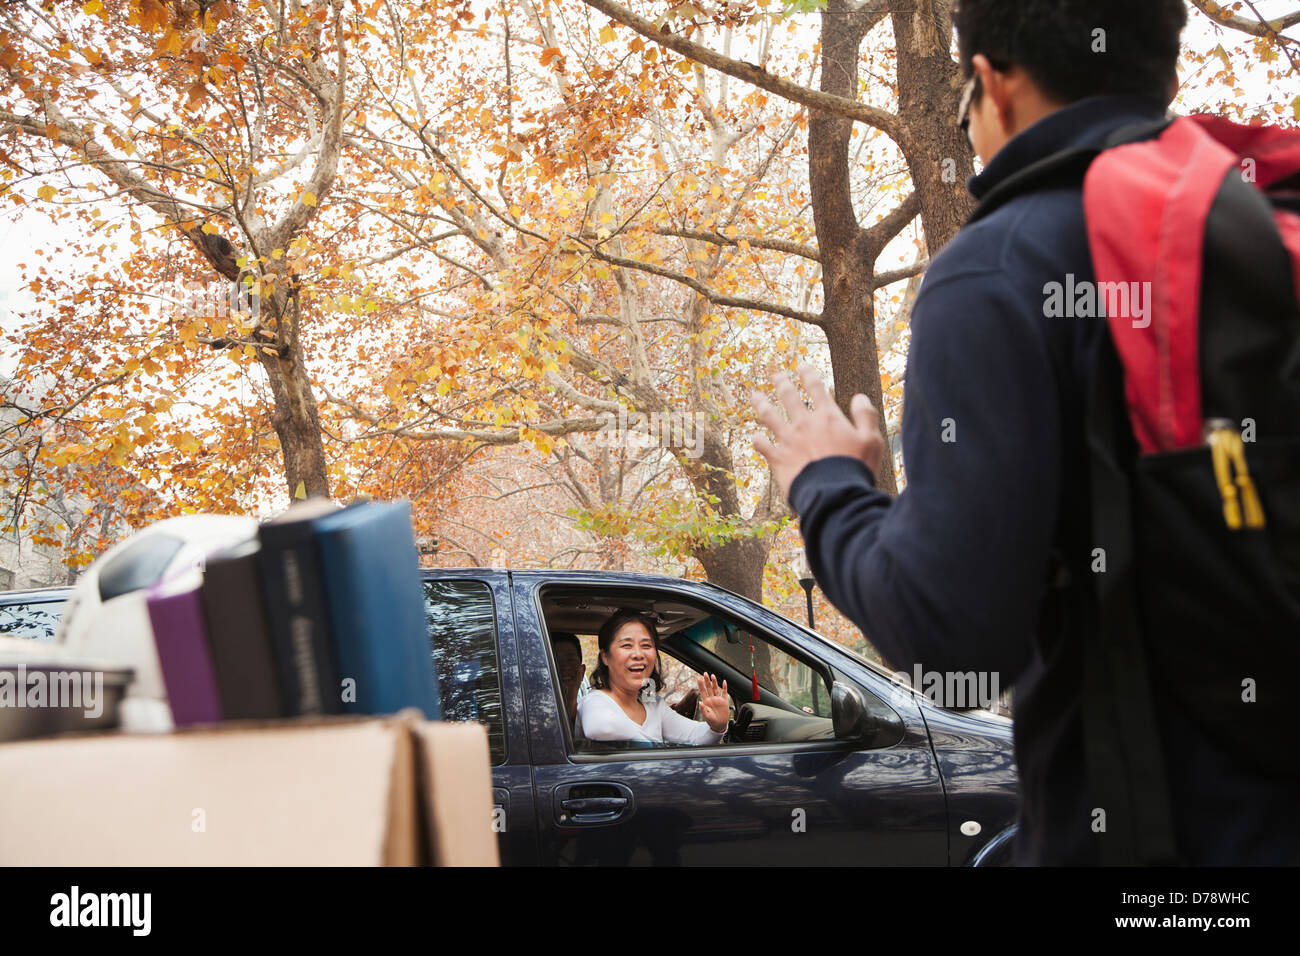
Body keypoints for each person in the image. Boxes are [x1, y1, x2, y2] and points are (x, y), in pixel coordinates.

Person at [753, 0, 1300, 865]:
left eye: (964, 110)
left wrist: (829, 488)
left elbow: (953, 632)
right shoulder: (1254, 227)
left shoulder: (1001, 265)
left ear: (989, 82)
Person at [575, 609, 730, 745]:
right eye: (626, 645)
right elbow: (601, 729)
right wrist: (658, 747)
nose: (638, 654)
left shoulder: (653, 704)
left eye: (646, 645)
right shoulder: (594, 701)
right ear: (605, 657)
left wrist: (717, 726)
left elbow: (693, 736)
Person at [550, 631, 587, 729]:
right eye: (557, 661)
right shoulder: (537, 721)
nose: (565, 667)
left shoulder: (592, 719)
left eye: (570, 660)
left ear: (582, 671)